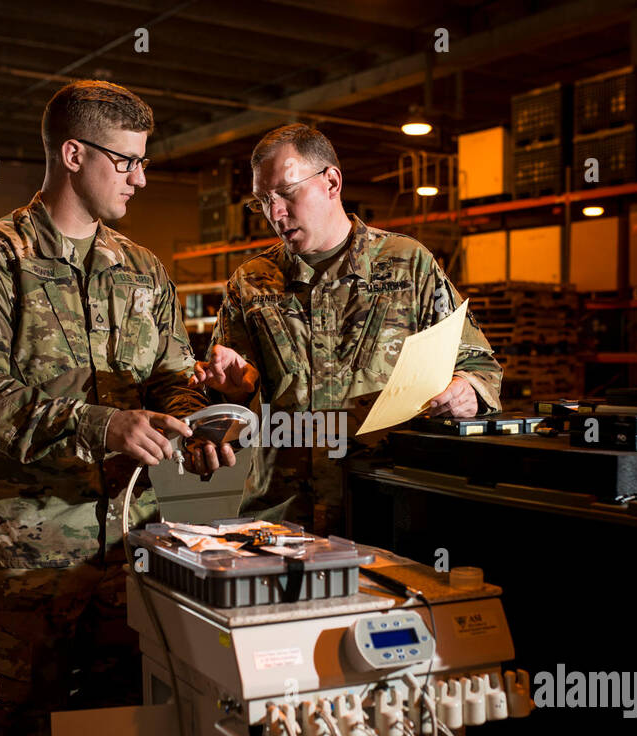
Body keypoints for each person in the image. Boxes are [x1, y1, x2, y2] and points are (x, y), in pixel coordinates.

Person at [0, 79, 232, 736]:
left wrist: (197, 422)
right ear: (74, 155)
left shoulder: (143, 270)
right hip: (30, 562)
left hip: (127, 555)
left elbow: (170, 373)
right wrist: (106, 426)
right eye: (128, 161)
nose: (140, 177)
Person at [190, 124, 502, 535]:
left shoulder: (409, 265)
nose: (275, 213)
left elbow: (480, 364)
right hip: (282, 517)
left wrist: (468, 389)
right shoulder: (251, 283)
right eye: (264, 201)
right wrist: (231, 391)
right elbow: (220, 407)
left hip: (387, 505)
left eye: (286, 193)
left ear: (331, 181)